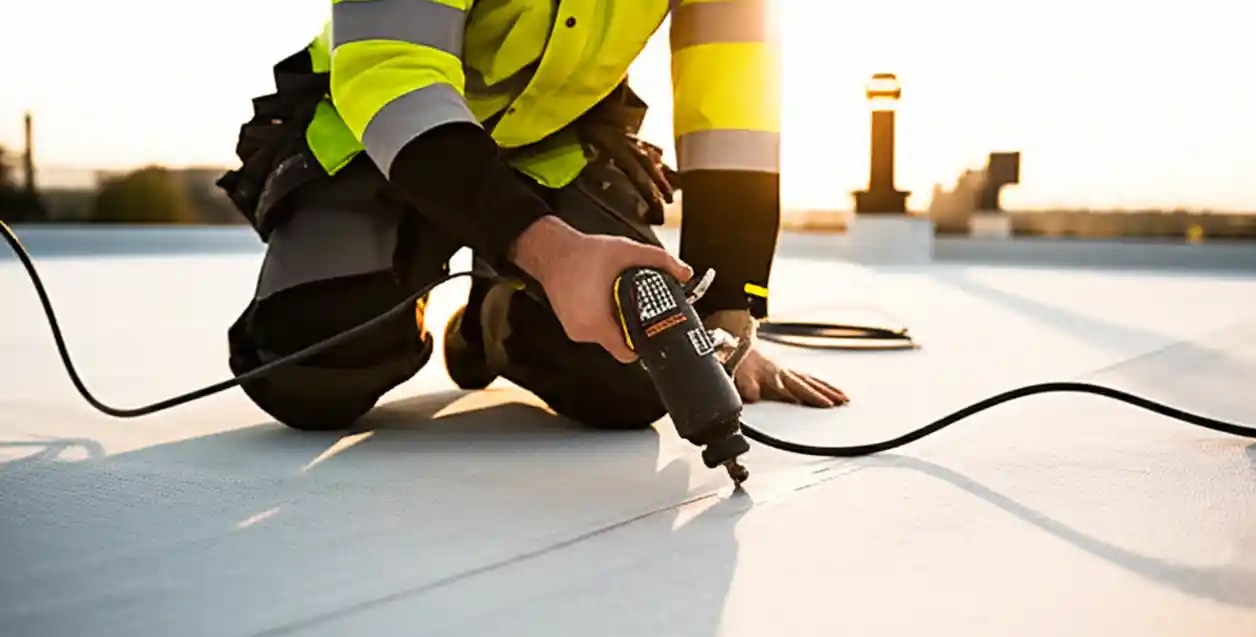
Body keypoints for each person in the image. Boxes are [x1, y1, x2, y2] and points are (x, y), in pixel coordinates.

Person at [217, 0, 848, 432]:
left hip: (551, 147)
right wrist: (551, 252)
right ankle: (409, 290)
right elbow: (391, 73)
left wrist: (726, 318)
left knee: (637, 378)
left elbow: (733, 113)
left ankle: (494, 317)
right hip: (379, 138)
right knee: (305, 370)